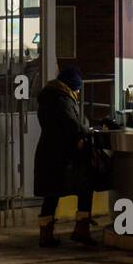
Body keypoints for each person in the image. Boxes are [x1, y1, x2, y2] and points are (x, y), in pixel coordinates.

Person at [34, 66, 94, 248]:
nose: (77, 92)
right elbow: (72, 125)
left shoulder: (49, 97)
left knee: (51, 194)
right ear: (70, 86)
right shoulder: (62, 100)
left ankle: (46, 234)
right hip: (63, 155)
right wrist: (87, 131)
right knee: (85, 185)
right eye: (77, 89)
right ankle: (81, 229)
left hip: (48, 152)